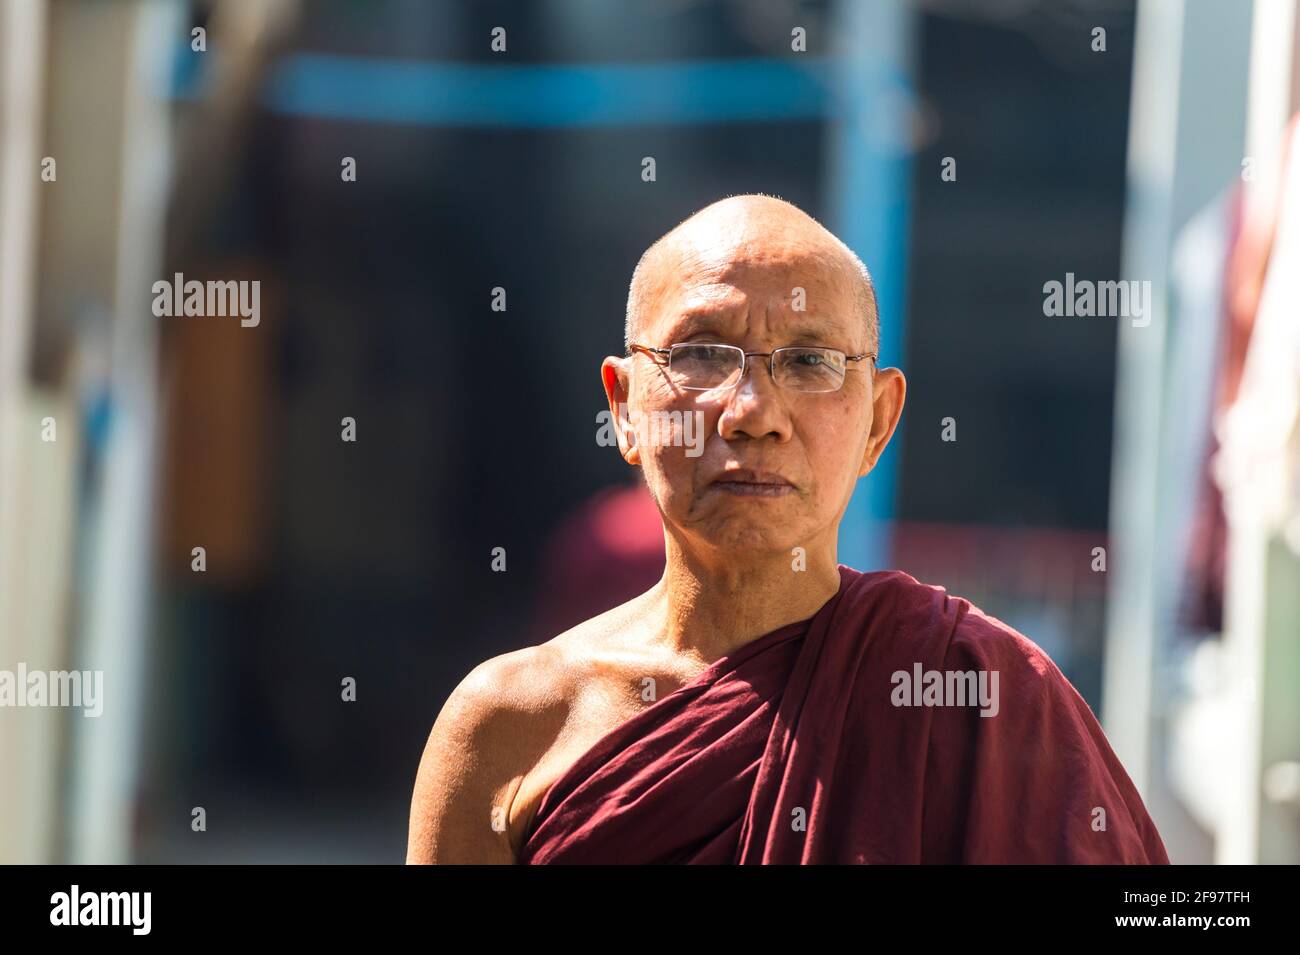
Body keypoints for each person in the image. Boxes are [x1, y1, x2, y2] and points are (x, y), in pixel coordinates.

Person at [406, 194, 1169, 864]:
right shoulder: (509, 729)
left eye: (808, 360)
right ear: (625, 407)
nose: (753, 414)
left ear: (879, 420)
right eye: (702, 353)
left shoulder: (983, 696)